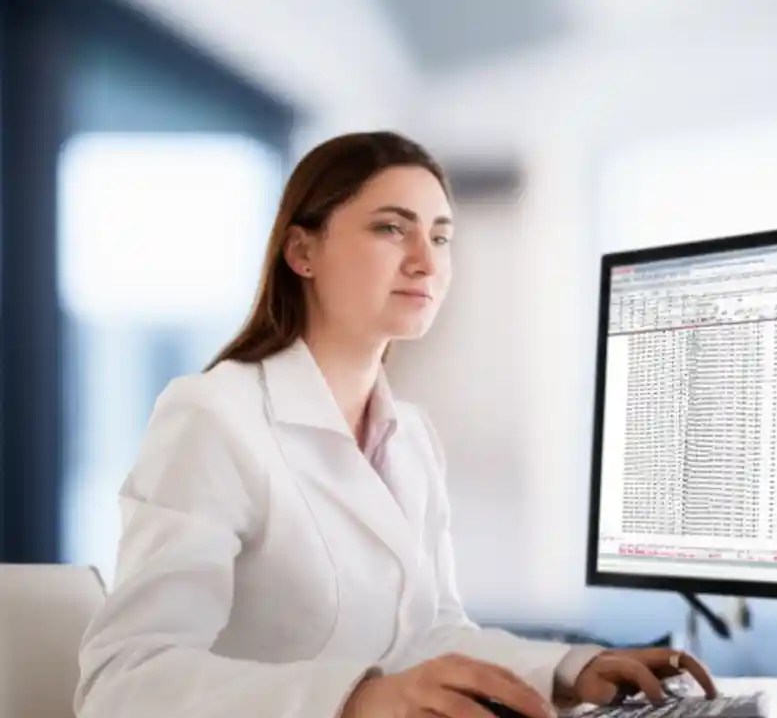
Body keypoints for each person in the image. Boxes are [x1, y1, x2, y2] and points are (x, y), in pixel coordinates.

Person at [74, 131, 716, 718]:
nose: (426, 261)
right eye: (391, 229)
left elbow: (431, 633)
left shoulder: (409, 436)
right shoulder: (215, 416)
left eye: (440, 237)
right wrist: (356, 701)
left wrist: (573, 668)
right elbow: (125, 681)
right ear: (302, 251)